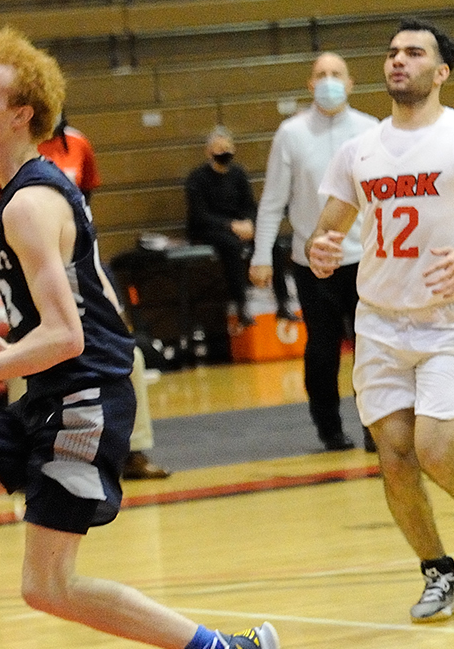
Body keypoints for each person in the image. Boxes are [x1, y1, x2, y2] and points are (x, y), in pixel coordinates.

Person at [0, 28, 279, 649]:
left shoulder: (28, 203)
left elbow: (70, 335)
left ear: (22, 115)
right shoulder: (25, 191)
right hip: (53, 388)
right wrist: (14, 344)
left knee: (47, 586)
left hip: (84, 394)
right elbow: (85, 299)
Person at [308, 19, 454, 623]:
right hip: (379, 324)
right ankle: (438, 573)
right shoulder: (359, 151)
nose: (398, 61)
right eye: (391, 53)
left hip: (448, 320)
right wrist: (321, 251)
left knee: (436, 449)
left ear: (442, 71)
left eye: (413, 52)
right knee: (396, 456)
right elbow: (325, 231)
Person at [251, 53, 378, 452]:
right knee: (322, 351)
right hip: (313, 265)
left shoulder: (371, 130)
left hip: (365, 262)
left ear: (350, 82)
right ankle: (330, 430)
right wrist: (260, 255)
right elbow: (273, 201)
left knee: (371, 350)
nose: (328, 81)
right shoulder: (291, 134)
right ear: (310, 85)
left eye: (335, 74)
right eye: (321, 75)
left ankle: (378, 428)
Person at [35, 118, 169, 481]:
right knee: (29, 361)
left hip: (79, 273)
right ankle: (30, 457)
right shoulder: (19, 154)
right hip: (38, 284)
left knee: (132, 355)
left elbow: (86, 199)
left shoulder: (78, 143)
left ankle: (133, 453)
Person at [186, 126, 258, 323]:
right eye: (219, 149)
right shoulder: (197, 178)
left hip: (238, 227)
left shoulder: (239, 174)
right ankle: (241, 304)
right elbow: (199, 215)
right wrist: (231, 225)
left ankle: (283, 301)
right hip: (209, 229)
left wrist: (249, 224)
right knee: (231, 246)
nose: (223, 153)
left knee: (272, 241)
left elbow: (250, 205)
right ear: (208, 152)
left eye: (227, 148)